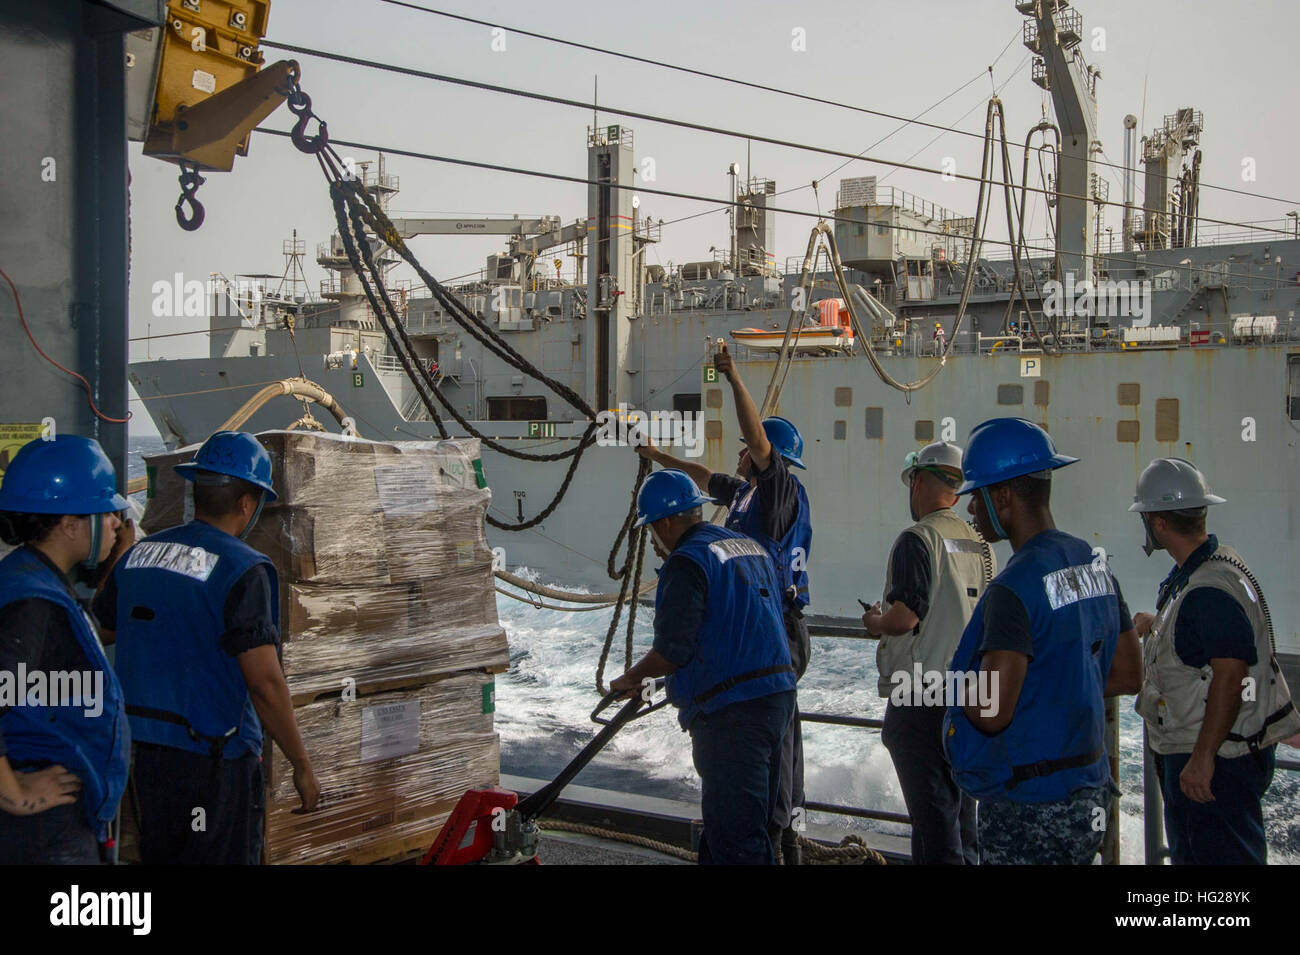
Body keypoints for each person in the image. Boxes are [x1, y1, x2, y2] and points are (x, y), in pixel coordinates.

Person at [95, 430, 319, 864]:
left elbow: (101, 628)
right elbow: (265, 683)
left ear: (195, 490)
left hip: (144, 757)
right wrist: (302, 765)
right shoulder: (243, 568)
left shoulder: (139, 555)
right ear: (247, 503)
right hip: (212, 766)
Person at [635, 341, 812, 863]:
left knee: (763, 753)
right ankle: (763, 834)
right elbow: (697, 475)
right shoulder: (744, 493)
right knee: (764, 747)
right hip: (758, 626)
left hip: (773, 625)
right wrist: (655, 457)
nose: (739, 454)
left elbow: (758, 441)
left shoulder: (778, 488)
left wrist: (733, 376)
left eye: (747, 450)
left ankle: (775, 839)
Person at [942, 418, 1142, 864]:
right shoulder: (1093, 563)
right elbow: (1129, 673)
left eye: (977, 495)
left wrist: (951, 683)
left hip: (1029, 810)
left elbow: (992, 713)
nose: (972, 509)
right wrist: (1051, 682)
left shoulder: (1014, 588)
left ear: (1004, 497)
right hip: (1089, 797)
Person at [611, 469, 796, 865]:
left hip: (733, 713)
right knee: (744, 826)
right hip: (777, 698)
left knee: (736, 837)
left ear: (663, 522)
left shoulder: (686, 562)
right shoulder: (746, 544)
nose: (655, 543)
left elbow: (673, 650)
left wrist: (630, 678)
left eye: (651, 530)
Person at [1129, 458, 1300, 865]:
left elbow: (1230, 672)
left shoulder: (1205, 592)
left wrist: (1202, 759)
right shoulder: (1216, 566)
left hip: (1211, 761)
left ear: (1157, 524)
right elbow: (1209, 642)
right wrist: (1160, 624)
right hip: (1228, 753)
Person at [0, 435, 131, 864]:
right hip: (44, 831)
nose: (116, 521)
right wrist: (16, 794)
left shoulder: (32, 578)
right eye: (105, 512)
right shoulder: (31, 604)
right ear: (70, 524)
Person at [863, 441, 993, 864]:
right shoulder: (980, 543)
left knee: (934, 819)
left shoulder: (918, 539)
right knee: (960, 818)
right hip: (970, 693)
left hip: (921, 695)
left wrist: (875, 622)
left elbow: (905, 618)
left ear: (918, 481)